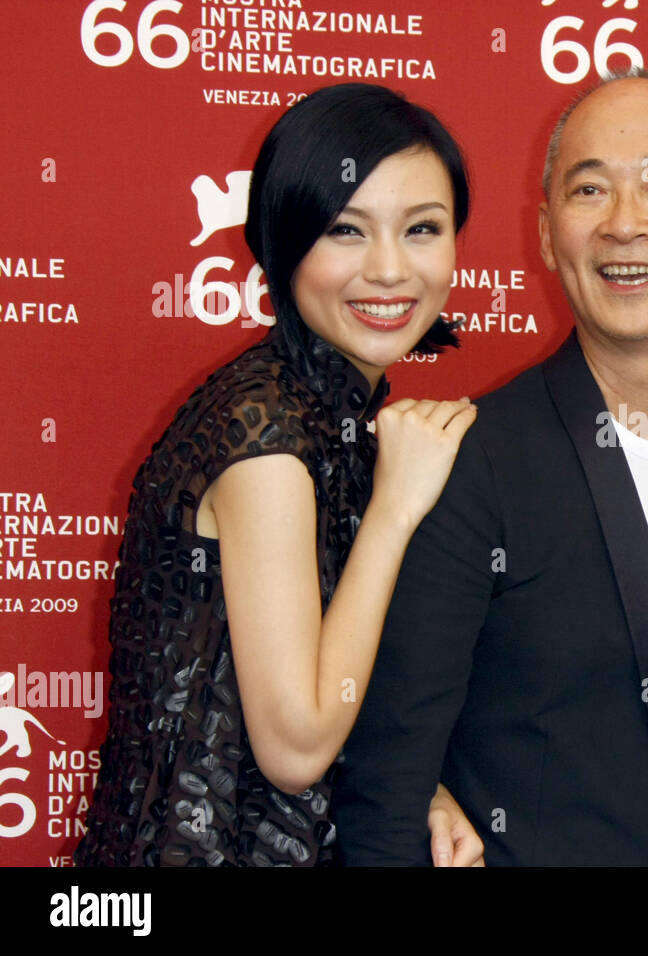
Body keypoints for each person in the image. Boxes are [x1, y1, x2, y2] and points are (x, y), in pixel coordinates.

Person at [331, 70, 648, 865]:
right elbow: (386, 793)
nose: (625, 224)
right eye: (589, 192)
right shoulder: (469, 463)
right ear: (546, 234)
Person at [74, 84, 485, 866]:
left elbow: (328, 675)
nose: (390, 269)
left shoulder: (334, 414)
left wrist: (422, 789)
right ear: (283, 238)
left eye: (422, 229)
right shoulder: (262, 430)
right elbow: (296, 742)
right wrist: (394, 510)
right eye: (345, 230)